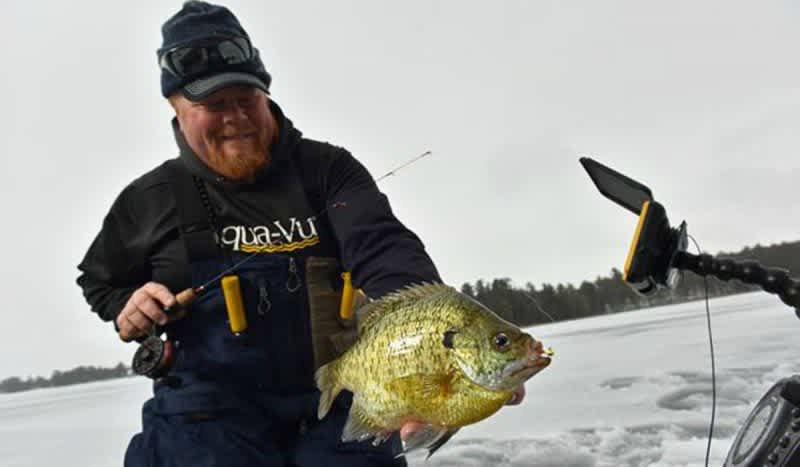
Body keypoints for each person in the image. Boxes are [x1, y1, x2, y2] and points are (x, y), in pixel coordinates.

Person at [77, 2, 524, 466]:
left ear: (265, 92)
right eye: (213, 105)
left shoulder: (327, 170)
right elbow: (99, 281)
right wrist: (127, 304)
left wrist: (439, 342)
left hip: (336, 398)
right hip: (207, 414)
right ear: (175, 107)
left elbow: (384, 249)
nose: (236, 117)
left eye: (246, 99)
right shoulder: (149, 198)